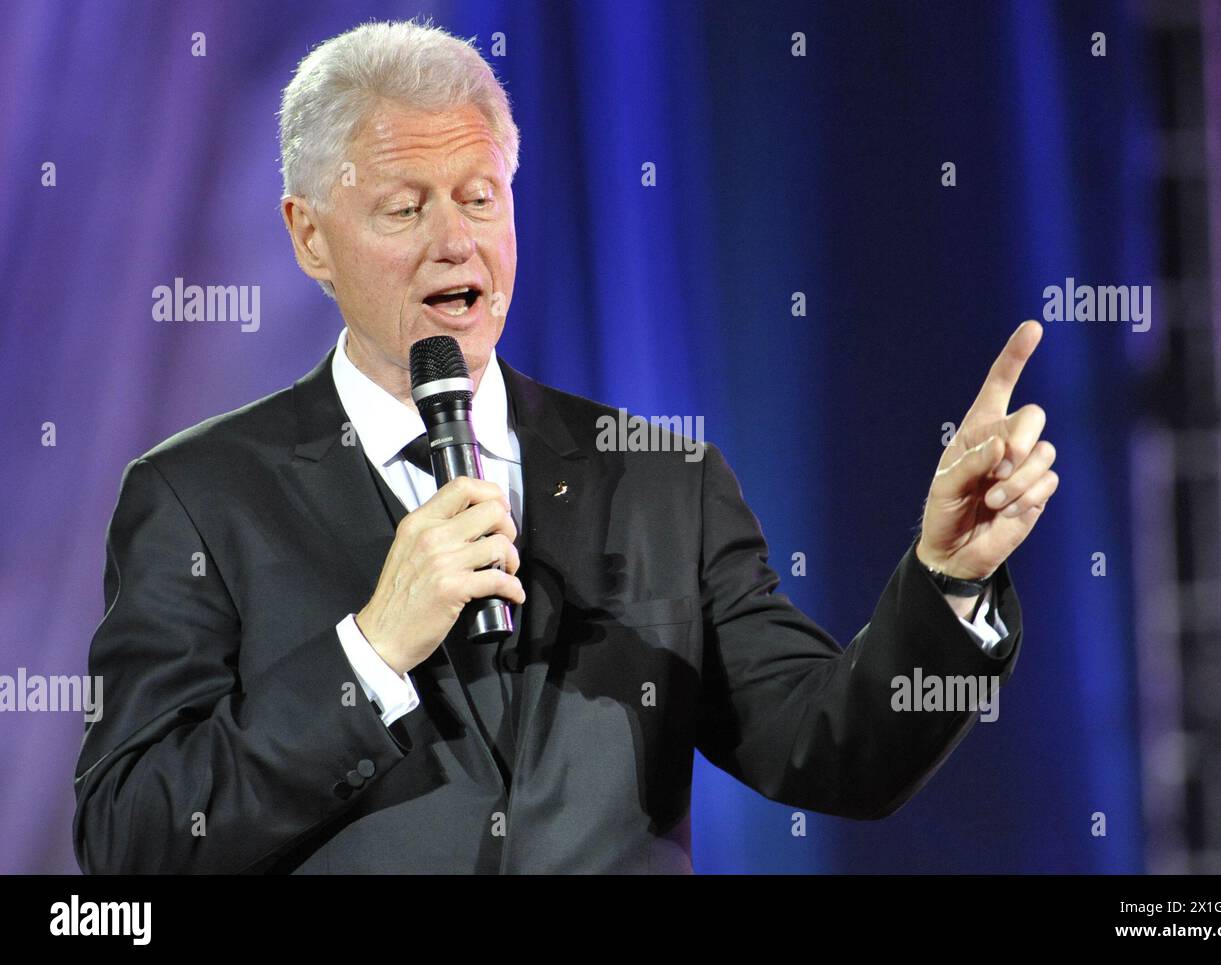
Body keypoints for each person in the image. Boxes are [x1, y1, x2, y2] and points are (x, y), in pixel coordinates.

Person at [73, 20, 1058, 874]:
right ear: (309, 237)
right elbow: (131, 836)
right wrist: (370, 651)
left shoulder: (660, 480)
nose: (455, 241)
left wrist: (947, 579)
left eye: (480, 197)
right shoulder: (200, 497)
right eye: (405, 208)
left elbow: (832, 750)